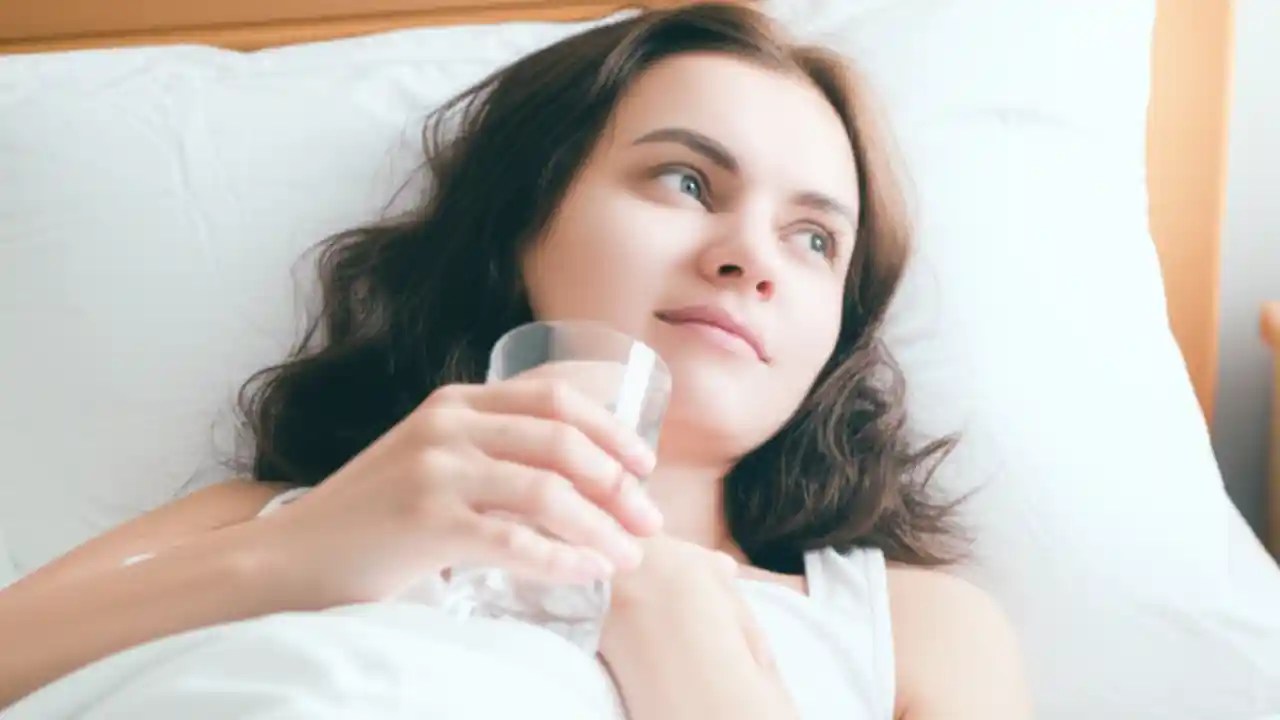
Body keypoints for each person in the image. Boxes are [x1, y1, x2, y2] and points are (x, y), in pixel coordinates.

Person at [0, 3, 1031, 717]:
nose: (750, 258)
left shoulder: (906, 629)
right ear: (519, 224)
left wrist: (667, 619)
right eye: (683, 179)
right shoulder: (265, 520)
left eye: (815, 241)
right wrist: (303, 552)